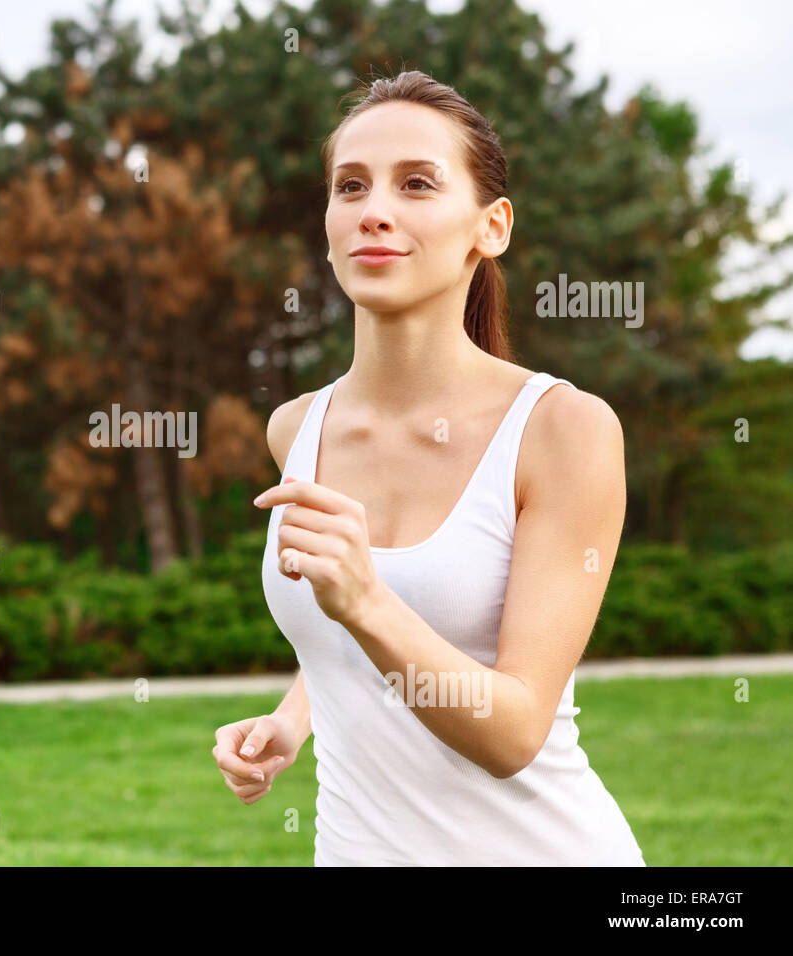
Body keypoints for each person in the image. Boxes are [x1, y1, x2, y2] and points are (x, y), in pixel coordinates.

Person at [211, 70, 646, 866]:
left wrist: (367, 597)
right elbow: (349, 635)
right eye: (351, 186)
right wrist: (293, 718)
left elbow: (515, 730)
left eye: (417, 183)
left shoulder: (563, 431)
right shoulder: (296, 429)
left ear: (492, 226)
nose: (374, 209)